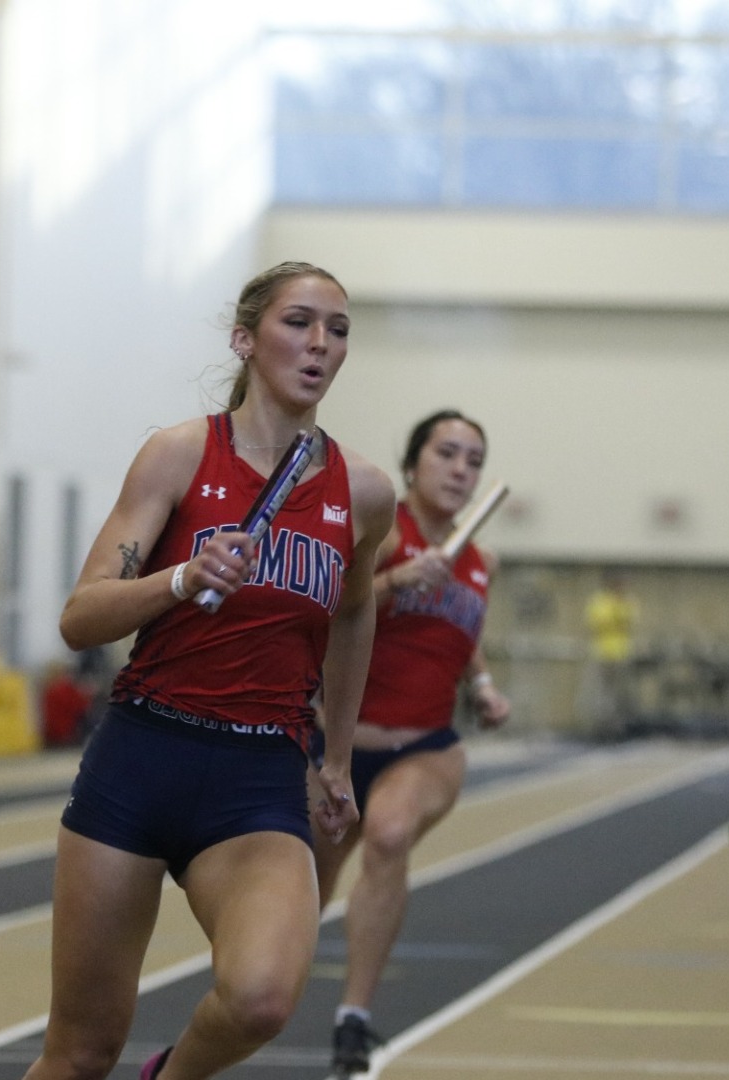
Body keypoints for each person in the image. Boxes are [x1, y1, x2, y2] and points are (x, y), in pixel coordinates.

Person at [20, 262, 393, 1080]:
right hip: (143, 757)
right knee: (80, 1053)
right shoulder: (180, 455)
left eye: (338, 329)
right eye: (299, 322)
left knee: (262, 997)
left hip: (260, 776)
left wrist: (335, 757)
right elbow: (82, 614)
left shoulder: (362, 490)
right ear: (245, 338)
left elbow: (356, 608)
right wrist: (182, 578)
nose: (320, 344)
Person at [310, 409, 512, 1077]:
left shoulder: (479, 559)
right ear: (412, 464)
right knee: (303, 887)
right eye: (447, 453)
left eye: (474, 459)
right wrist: (397, 579)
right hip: (334, 746)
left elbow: (465, 635)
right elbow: (324, 604)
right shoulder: (381, 530)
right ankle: (262, 991)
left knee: (390, 834)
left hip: (425, 744)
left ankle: (353, 1017)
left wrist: (482, 683)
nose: (462, 469)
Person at [580, 572, 637, 732]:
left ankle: (618, 726)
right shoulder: (600, 601)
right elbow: (598, 622)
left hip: (621, 652)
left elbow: (629, 620)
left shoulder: (626, 601)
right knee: (602, 693)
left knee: (620, 694)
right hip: (603, 652)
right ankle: (600, 726)